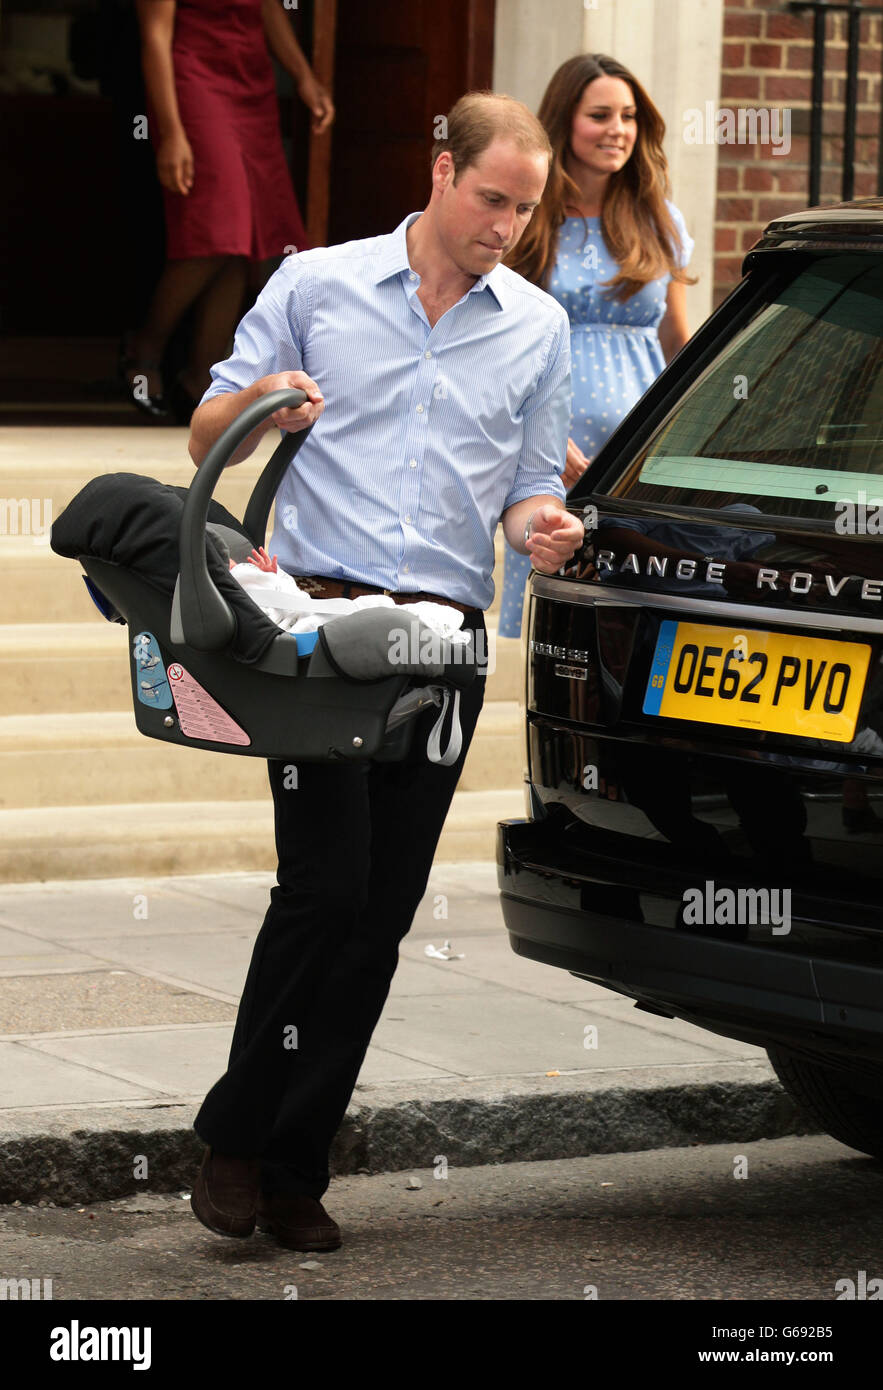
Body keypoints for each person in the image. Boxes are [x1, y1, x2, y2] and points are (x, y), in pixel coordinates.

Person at [184, 90, 585, 1252]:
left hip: (445, 645)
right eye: (490, 198)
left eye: (525, 208)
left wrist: (542, 530)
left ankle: (298, 1165)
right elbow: (209, 423)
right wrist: (267, 405)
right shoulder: (316, 283)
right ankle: (235, 1135)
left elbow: (525, 486)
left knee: (383, 910)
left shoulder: (536, 327)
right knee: (324, 886)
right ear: (440, 165)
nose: (505, 225)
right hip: (316, 637)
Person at [497, 52, 696, 640]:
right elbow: (499, 344)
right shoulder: (528, 219)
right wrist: (542, 440)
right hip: (550, 449)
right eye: (600, 115)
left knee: (636, 608)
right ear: (565, 122)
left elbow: (676, 339)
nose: (618, 130)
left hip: (639, 444)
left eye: (630, 116)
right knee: (563, 616)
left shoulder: (659, 218)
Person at [121, 0, 333, 423]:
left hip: (250, 84)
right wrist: (171, 133)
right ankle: (144, 348)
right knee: (218, 229)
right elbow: (156, 36)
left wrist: (304, 77)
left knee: (245, 241)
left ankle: (200, 379)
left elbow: (269, 10)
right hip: (193, 83)